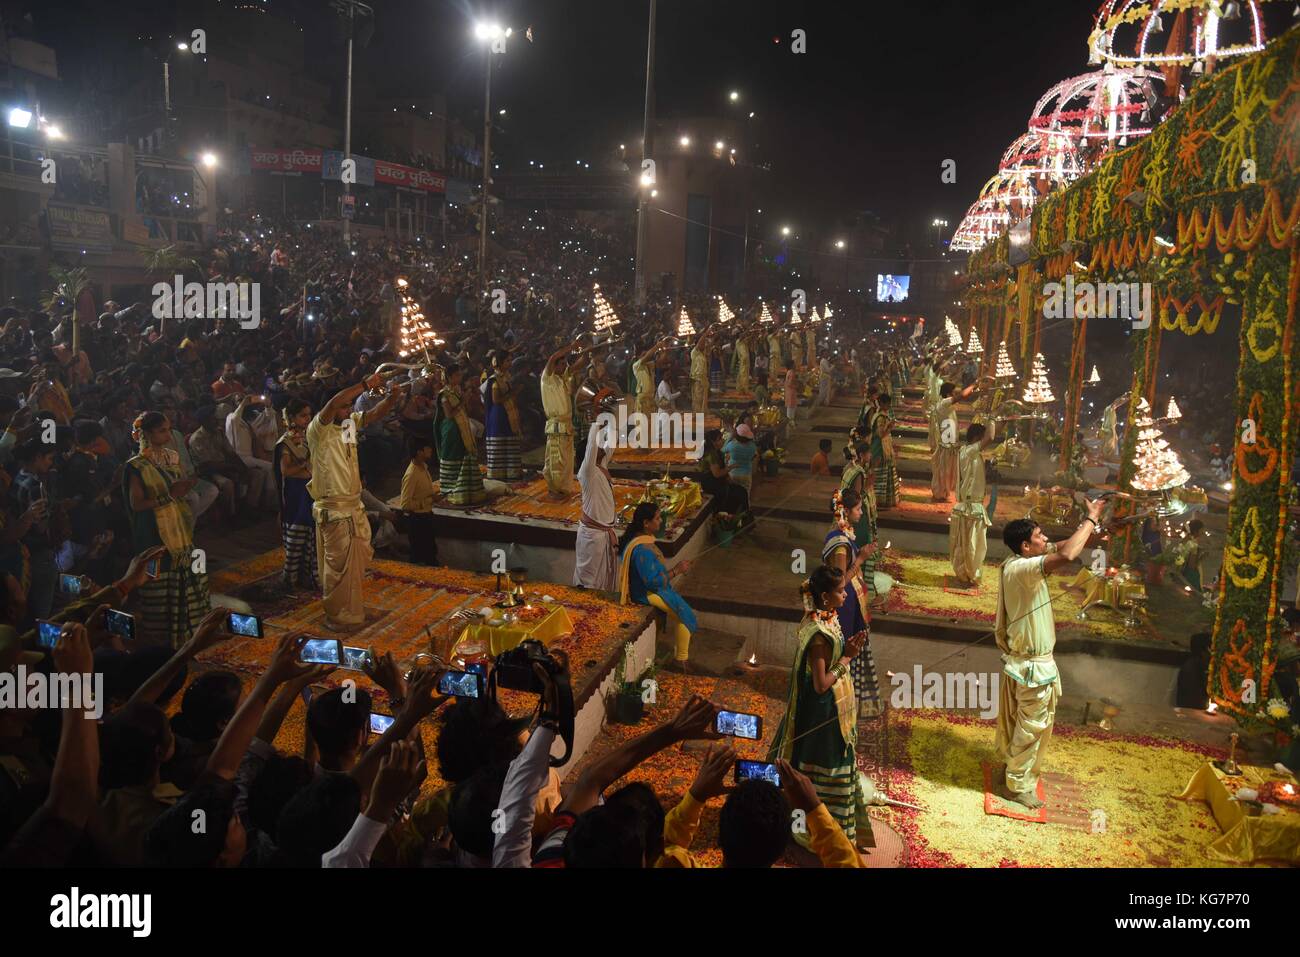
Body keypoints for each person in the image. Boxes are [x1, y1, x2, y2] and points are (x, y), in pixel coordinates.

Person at [995, 498, 1105, 808]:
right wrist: (1091, 518)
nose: (1046, 540)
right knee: (1032, 727)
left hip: (1026, 663)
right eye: (1040, 536)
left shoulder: (1018, 562)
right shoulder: (1025, 569)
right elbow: (1069, 554)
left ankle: (1014, 771)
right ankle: (1016, 785)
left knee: (1025, 724)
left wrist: (1091, 526)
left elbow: (1065, 544)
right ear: (1025, 546)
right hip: (1031, 668)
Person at [767, 564, 873, 848]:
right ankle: (819, 834)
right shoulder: (818, 634)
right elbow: (821, 684)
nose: (846, 596)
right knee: (829, 763)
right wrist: (848, 658)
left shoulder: (824, 617)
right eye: (840, 592)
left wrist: (846, 650)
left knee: (838, 759)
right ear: (825, 597)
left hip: (831, 710)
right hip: (823, 715)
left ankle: (835, 831)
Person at [308, 373, 407, 631]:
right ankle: (338, 616)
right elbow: (334, 403)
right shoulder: (319, 430)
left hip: (353, 506)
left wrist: (392, 398)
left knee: (354, 565)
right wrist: (365, 384)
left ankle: (352, 611)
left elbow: (373, 415)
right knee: (337, 567)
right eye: (344, 406)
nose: (349, 409)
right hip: (335, 510)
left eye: (349, 406)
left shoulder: (349, 424)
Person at [122, 412, 210, 646]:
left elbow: (178, 488)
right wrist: (169, 496)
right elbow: (137, 504)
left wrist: (184, 487)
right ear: (147, 434)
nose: (168, 434)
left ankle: (186, 628)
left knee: (183, 569)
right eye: (162, 430)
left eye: (169, 429)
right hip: (152, 529)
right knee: (157, 572)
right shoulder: (136, 466)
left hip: (177, 525)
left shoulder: (171, 457)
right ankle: (159, 634)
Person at [822, 490, 882, 717]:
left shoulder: (844, 535)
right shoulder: (839, 543)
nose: (861, 513)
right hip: (843, 606)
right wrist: (861, 559)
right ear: (845, 511)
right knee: (846, 650)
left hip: (850, 602)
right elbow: (840, 582)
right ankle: (839, 700)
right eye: (858, 509)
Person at [618, 502, 696, 672]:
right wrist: (677, 570)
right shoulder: (642, 549)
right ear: (646, 523)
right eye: (657, 518)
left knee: (681, 609)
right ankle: (681, 660)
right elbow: (651, 581)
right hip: (644, 593)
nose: (661, 521)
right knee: (684, 614)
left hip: (650, 588)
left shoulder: (636, 539)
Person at [950, 421, 1001, 586]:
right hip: (969, 508)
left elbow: (992, 435)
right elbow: (991, 436)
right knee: (970, 547)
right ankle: (968, 575)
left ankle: (967, 574)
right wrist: (993, 418)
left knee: (974, 546)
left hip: (972, 507)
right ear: (977, 438)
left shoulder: (970, 452)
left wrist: (1004, 420)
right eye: (982, 438)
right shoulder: (969, 451)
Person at [273, 399, 317, 591]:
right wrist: (306, 465)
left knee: (312, 533)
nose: (308, 418)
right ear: (292, 418)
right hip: (296, 493)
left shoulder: (309, 436)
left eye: (309, 414)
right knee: (298, 533)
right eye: (303, 415)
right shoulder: (286, 442)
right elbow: (286, 471)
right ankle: (291, 576)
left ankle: (308, 573)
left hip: (310, 489)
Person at [433, 364, 486, 507]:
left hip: (462, 426)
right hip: (451, 430)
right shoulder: (444, 394)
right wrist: (463, 400)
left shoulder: (457, 391)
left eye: (460, 375)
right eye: (456, 375)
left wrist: (465, 399)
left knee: (464, 454)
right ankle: (451, 489)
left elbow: (465, 409)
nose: (459, 378)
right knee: (454, 455)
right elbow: (449, 414)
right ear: (449, 377)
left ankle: (466, 488)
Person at [575, 422, 618, 591]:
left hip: (604, 534)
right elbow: (592, 447)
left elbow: (611, 444)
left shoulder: (602, 466)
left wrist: (611, 419)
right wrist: (595, 425)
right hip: (592, 536)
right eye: (597, 444)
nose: (601, 446)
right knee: (587, 581)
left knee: (604, 578)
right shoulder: (587, 473)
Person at [931, 378, 988, 503]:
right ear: (948, 394)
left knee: (947, 471)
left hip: (950, 443)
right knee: (943, 471)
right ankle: (939, 493)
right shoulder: (944, 403)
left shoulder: (946, 404)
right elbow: (962, 396)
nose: (955, 396)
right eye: (953, 393)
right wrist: (974, 384)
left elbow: (962, 396)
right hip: (946, 444)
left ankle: (943, 493)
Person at [540, 338, 583, 499]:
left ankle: (563, 489)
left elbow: (578, 366)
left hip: (566, 425)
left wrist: (587, 352)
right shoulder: (547, 377)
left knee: (566, 460)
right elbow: (552, 359)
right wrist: (572, 346)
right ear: (555, 365)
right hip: (556, 425)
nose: (565, 366)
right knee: (556, 460)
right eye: (562, 364)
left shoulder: (561, 377)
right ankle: (555, 490)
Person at [482, 350, 523, 482]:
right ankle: (498, 473)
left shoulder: (506, 377)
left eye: (510, 360)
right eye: (507, 361)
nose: (510, 363)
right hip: (499, 414)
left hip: (508, 413)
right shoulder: (495, 380)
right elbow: (496, 400)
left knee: (509, 440)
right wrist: (513, 392)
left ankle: (511, 472)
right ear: (500, 363)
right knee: (501, 442)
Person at [399, 434, 439, 566]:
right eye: (427, 449)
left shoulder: (424, 467)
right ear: (419, 452)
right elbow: (405, 504)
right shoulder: (411, 474)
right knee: (419, 557)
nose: (430, 451)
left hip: (426, 517)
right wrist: (428, 501)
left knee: (430, 553)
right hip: (417, 521)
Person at [697, 429, 748, 517]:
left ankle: (740, 520)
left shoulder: (718, 452)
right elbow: (717, 474)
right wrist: (731, 467)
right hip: (712, 484)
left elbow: (722, 470)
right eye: (720, 439)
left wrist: (729, 479)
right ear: (713, 442)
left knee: (742, 491)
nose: (723, 440)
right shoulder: (711, 454)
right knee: (739, 494)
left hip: (718, 482)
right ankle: (731, 519)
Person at [868, 393, 900, 509]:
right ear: (882, 403)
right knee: (880, 472)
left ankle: (882, 499)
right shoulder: (880, 417)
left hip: (882, 446)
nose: (888, 406)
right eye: (887, 404)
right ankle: (878, 499)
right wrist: (890, 426)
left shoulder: (880, 415)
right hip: (879, 448)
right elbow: (881, 434)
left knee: (884, 471)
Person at [721, 424, 757, 501]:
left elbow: (722, 450)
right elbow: (753, 456)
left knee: (732, 497)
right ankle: (745, 511)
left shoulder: (732, 445)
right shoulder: (753, 446)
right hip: (746, 474)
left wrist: (730, 437)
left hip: (732, 474)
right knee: (746, 496)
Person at [783, 362, 799, 431]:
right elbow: (789, 383)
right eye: (794, 364)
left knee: (791, 407)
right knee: (791, 408)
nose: (795, 365)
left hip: (790, 391)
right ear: (792, 366)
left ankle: (791, 423)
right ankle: (790, 423)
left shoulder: (789, 372)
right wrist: (796, 386)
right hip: (791, 391)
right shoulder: (791, 372)